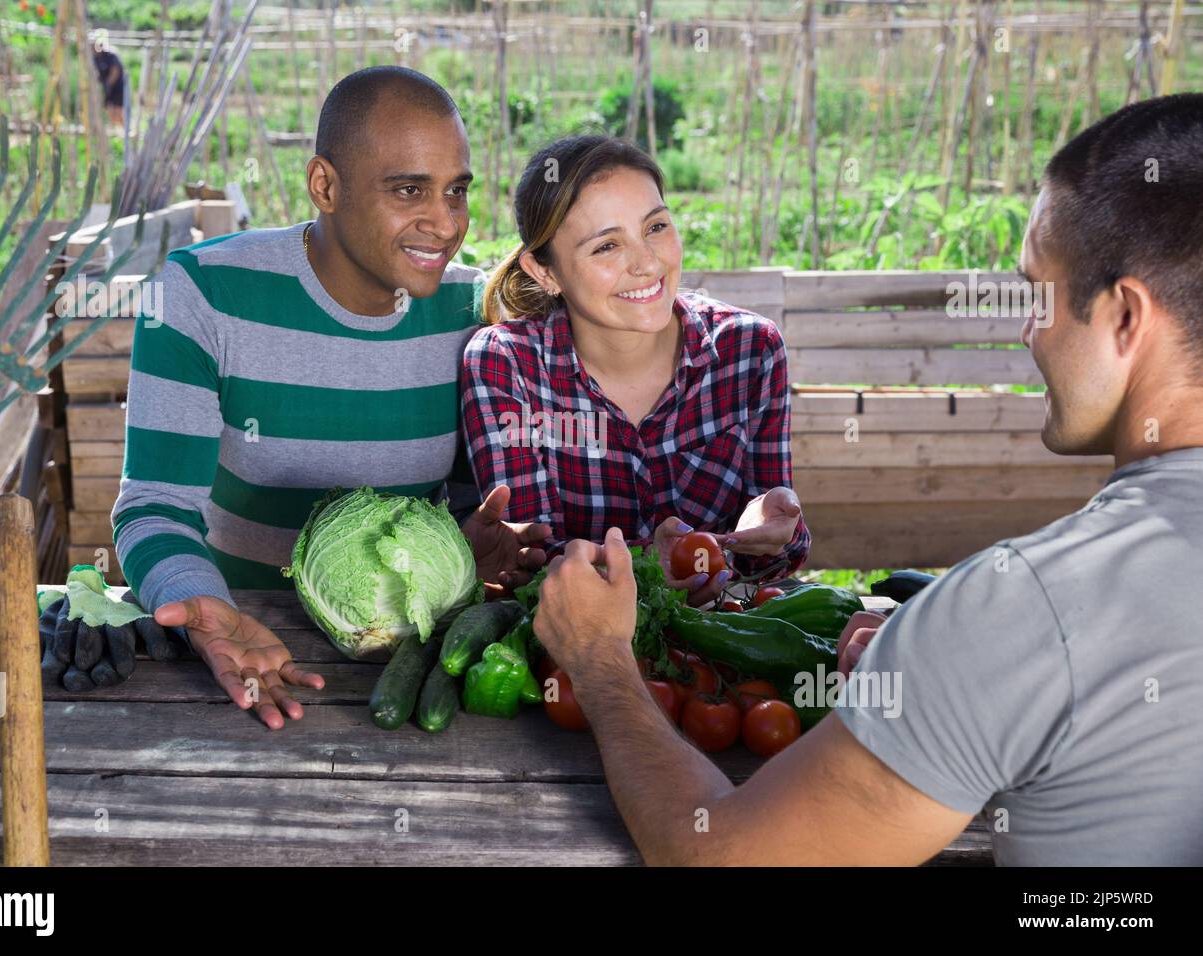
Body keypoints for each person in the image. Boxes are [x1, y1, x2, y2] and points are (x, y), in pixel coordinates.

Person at [531, 94, 1203, 865]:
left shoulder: (1025, 609)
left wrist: (602, 664)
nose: (1028, 331)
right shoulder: (1018, 625)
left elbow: (716, 857)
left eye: (1036, 297)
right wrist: (943, 664)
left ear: (1124, 318)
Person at [112, 67, 548, 729]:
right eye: (409, 190)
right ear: (325, 185)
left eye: (456, 191)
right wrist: (200, 604)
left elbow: (456, 508)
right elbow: (153, 506)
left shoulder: (471, 315)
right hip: (238, 652)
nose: (444, 222)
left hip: (404, 671)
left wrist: (467, 548)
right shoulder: (200, 294)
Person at [461, 136, 810, 607]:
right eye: (607, 246)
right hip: (578, 654)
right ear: (545, 272)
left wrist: (775, 530)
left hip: (724, 644)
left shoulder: (750, 350)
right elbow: (530, 563)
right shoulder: (507, 366)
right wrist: (650, 563)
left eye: (656, 226)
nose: (647, 263)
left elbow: (769, 567)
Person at [91, 39, 125, 128]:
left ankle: (123, 129)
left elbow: (115, 70)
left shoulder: (110, 55)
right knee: (109, 109)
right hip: (107, 87)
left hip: (118, 87)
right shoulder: (95, 58)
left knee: (118, 110)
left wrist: (109, 83)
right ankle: (114, 128)